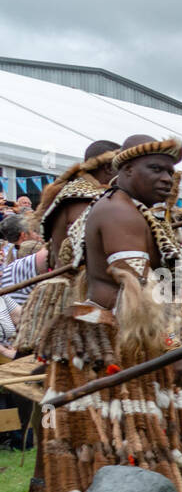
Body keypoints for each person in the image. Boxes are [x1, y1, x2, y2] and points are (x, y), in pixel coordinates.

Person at [26, 135, 182, 492]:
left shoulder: (119, 205)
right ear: (123, 170)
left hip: (107, 332)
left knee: (120, 440)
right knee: (131, 439)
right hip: (114, 337)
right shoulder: (122, 212)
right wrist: (176, 350)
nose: (167, 179)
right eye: (155, 169)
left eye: (170, 172)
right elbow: (135, 291)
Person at [14, 141, 119, 355]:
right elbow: (82, 253)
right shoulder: (90, 200)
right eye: (123, 166)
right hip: (78, 295)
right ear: (108, 167)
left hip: (67, 290)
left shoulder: (68, 194)